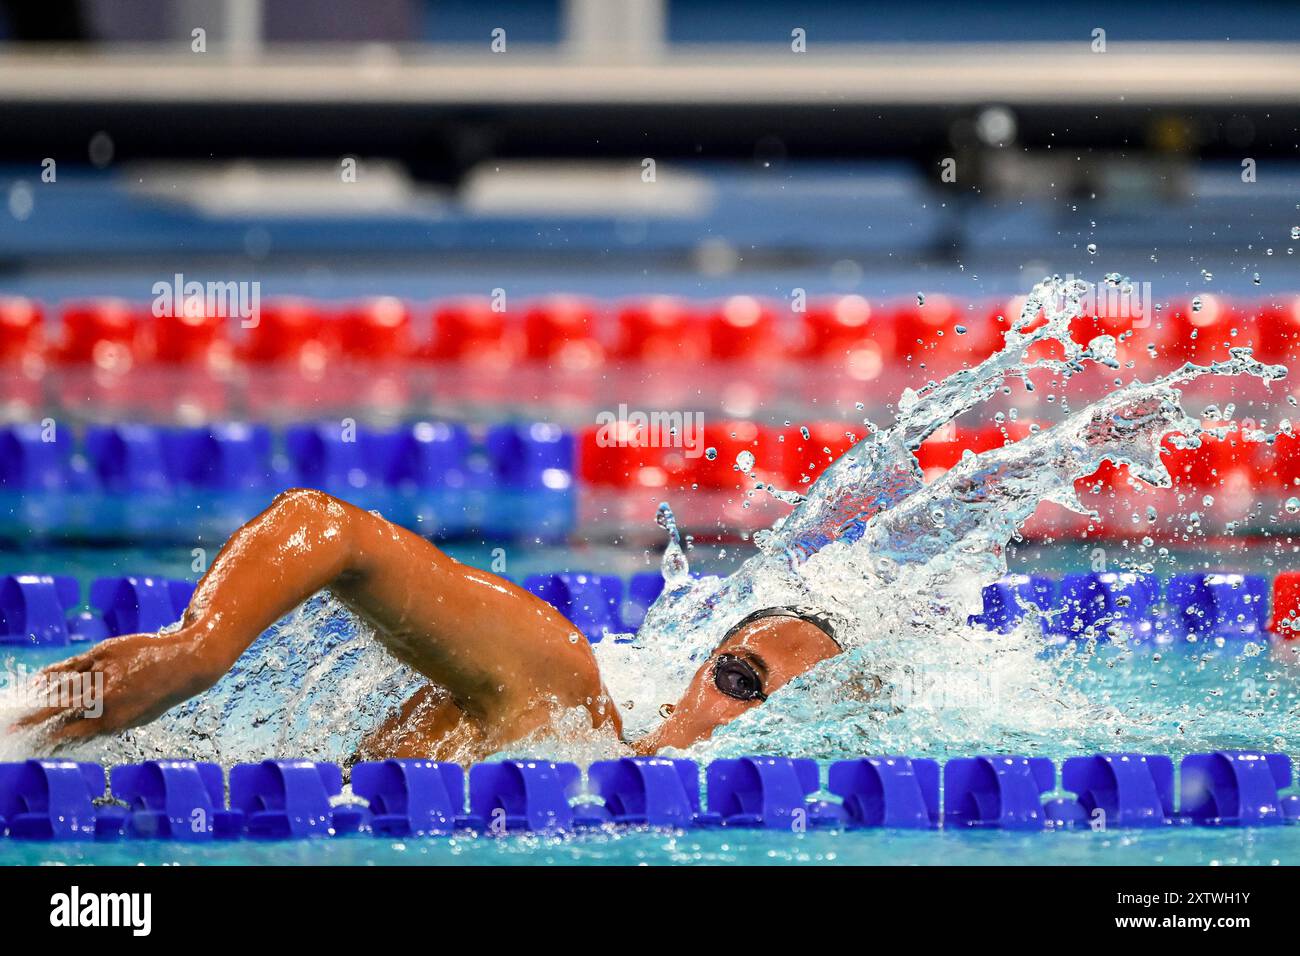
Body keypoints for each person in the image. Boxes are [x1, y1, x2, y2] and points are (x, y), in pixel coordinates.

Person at [14, 489, 843, 762]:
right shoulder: (560, 702)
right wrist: (198, 649)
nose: (748, 718)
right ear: (701, 670)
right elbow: (331, 528)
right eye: (741, 680)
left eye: (786, 712)